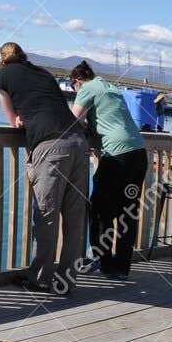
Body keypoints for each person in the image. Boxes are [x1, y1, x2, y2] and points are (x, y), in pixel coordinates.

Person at [0, 41, 89, 295]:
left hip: (51, 147)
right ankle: (67, 281)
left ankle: (40, 279)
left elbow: (13, 120)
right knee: (74, 218)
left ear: (2, 61)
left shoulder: (4, 74)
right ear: (24, 57)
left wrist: (19, 119)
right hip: (79, 143)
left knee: (47, 216)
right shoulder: (43, 73)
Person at [69, 60, 148, 280]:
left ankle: (104, 263)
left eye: (74, 87)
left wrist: (83, 133)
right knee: (127, 211)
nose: (75, 91)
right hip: (138, 154)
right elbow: (109, 122)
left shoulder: (87, 88)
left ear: (77, 81)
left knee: (100, 211)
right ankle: (122, 267)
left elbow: (73, 119)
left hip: (117, 156)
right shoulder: (110, 87)